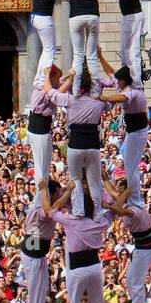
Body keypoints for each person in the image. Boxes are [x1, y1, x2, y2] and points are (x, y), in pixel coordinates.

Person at [41, 177, 111, 303]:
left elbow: (50, 210)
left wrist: (45, 189)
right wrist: (105, 198)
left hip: (78, 268)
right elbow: (111, 214)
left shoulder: (70, 220)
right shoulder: (97, 221)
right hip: (95, 266)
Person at [38, 0, 110, 96]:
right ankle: (95, 91)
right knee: (91, 56)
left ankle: (76, 91)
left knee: (78, 55)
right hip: (92, 14)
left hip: (75, 14)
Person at [44, 65, 114, 216]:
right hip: (93, 145)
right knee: (94, 181)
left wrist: (46, 75)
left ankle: (78, 211)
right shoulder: (99, 102)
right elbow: (111, 103)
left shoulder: (71, 100)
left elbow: (51, 93)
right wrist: (102, 96)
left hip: (75, 144)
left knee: (75, 179)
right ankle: (97, 213)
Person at [99, 66, 150, 211]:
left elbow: (122, 97)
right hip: (133, 131)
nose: (117, 83)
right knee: (130, 166)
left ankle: (135, 200)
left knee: (131, 167)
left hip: (138, 131)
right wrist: (101, 56)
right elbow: (111, 73)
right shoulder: (126, 86)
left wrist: (105, 97)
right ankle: (135, 197)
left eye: (119, 81)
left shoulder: (132, 91)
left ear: (124, 80)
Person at [106, 179, 151, 303]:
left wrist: (126, 193)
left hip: (145, 250)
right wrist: (105, 180)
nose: (119, 193)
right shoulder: (131, 202)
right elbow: (113, 193)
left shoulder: (135, 209)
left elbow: (116, 208)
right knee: (129, 280)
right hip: (141, 247)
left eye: (122, 191)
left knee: (135, 283)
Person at [102, 0, 143, 84]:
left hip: (134, 14)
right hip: (127, 15)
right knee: (124, 50)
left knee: (133, 50)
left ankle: (136, 81)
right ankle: (127, 77)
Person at [25, 0, 59, 81]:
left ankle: (39, 78)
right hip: (43, 16)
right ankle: (42, 81)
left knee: (46, 49)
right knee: (50, 49)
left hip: (38, 15)